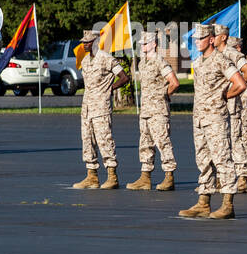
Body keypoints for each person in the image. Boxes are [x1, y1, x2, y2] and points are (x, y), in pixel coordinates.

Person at [178, 24, 246, 219]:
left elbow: (240, 83)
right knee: (203, 160)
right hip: (199, 119)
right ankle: (203, 202)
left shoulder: (221, 60)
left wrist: (224, 97)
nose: (197, 43)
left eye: (200, 39)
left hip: (216, 118)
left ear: (210, 39)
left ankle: (227, 204)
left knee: (222, 160)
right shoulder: (198, 62)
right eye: (195, 40)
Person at [73, 29, 128, 190]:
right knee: (87, 140)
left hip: (101, 107)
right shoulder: (85, 61)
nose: (84, 44)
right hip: (87, 107)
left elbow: (124, 77)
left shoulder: (106, 58)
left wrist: (110, 89)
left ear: (96, 42)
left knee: (105, 140)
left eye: (88, 42)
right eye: (83, 42)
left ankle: (112, 176)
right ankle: (92, 176)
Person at [126, 31, 179, 191]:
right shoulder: (142, 63)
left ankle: (169, 177)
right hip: (146, 111)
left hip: (158, 111)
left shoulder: (159, 61)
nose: (142, 46)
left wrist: (164, 96)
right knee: (145, 144)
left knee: (163, 142)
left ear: (154, 44)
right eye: (141, 44)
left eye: (145, 43)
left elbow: (174, 82)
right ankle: (145, 177)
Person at [218, 29, 247, 192]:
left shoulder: (241, 67)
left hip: (238, 108)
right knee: (232, 141)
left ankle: (245, 175)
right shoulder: (225, 66)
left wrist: (244, 95)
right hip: (228, 107)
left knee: (239, 140)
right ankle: (238, 176)